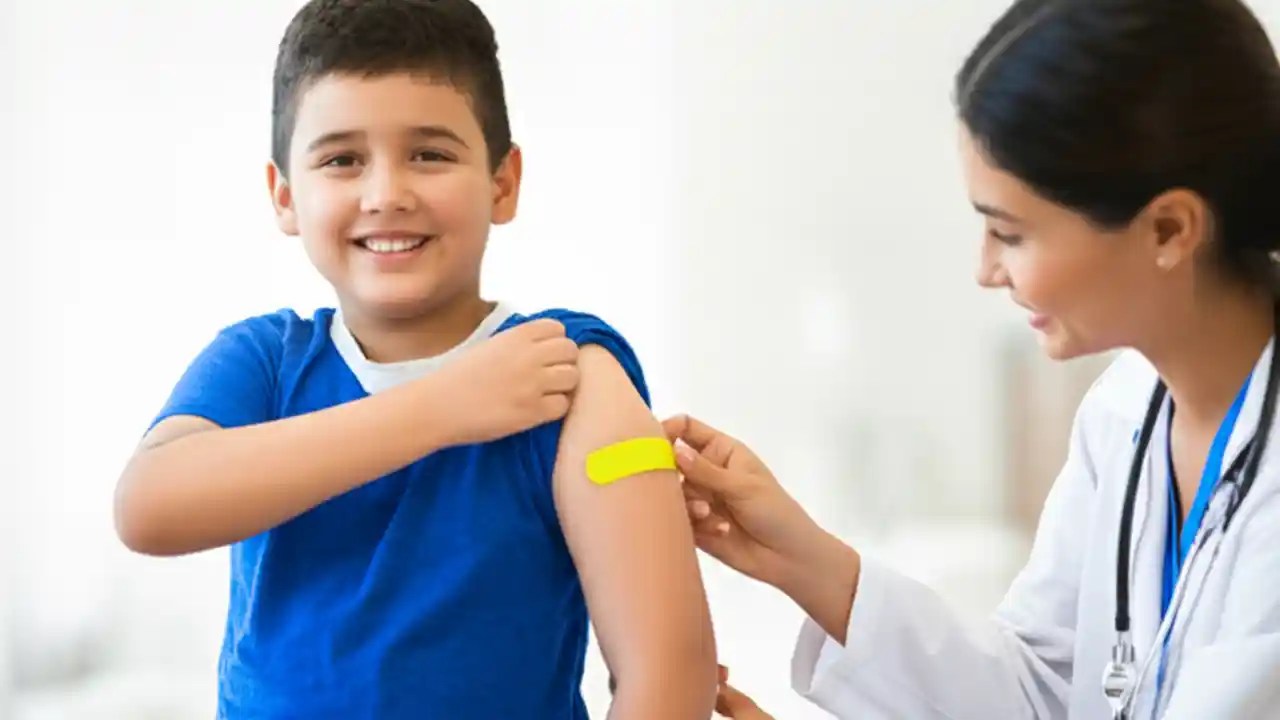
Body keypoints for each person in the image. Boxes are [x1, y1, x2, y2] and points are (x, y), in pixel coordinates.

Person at [669, 0, 1280, 718]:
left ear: (1170, 228)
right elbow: (1036, 693)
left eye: (1011, 234)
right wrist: (801, 557)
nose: (986, 270)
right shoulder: (1125, 415)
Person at [110, 1, 717, 717]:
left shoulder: (569, 372)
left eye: (429, 154)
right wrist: (440, 409)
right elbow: (148, 507)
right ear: (284, 196)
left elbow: (668, 670)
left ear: (502, 182)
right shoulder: (262, 362)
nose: (386, 194)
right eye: (341, 160)